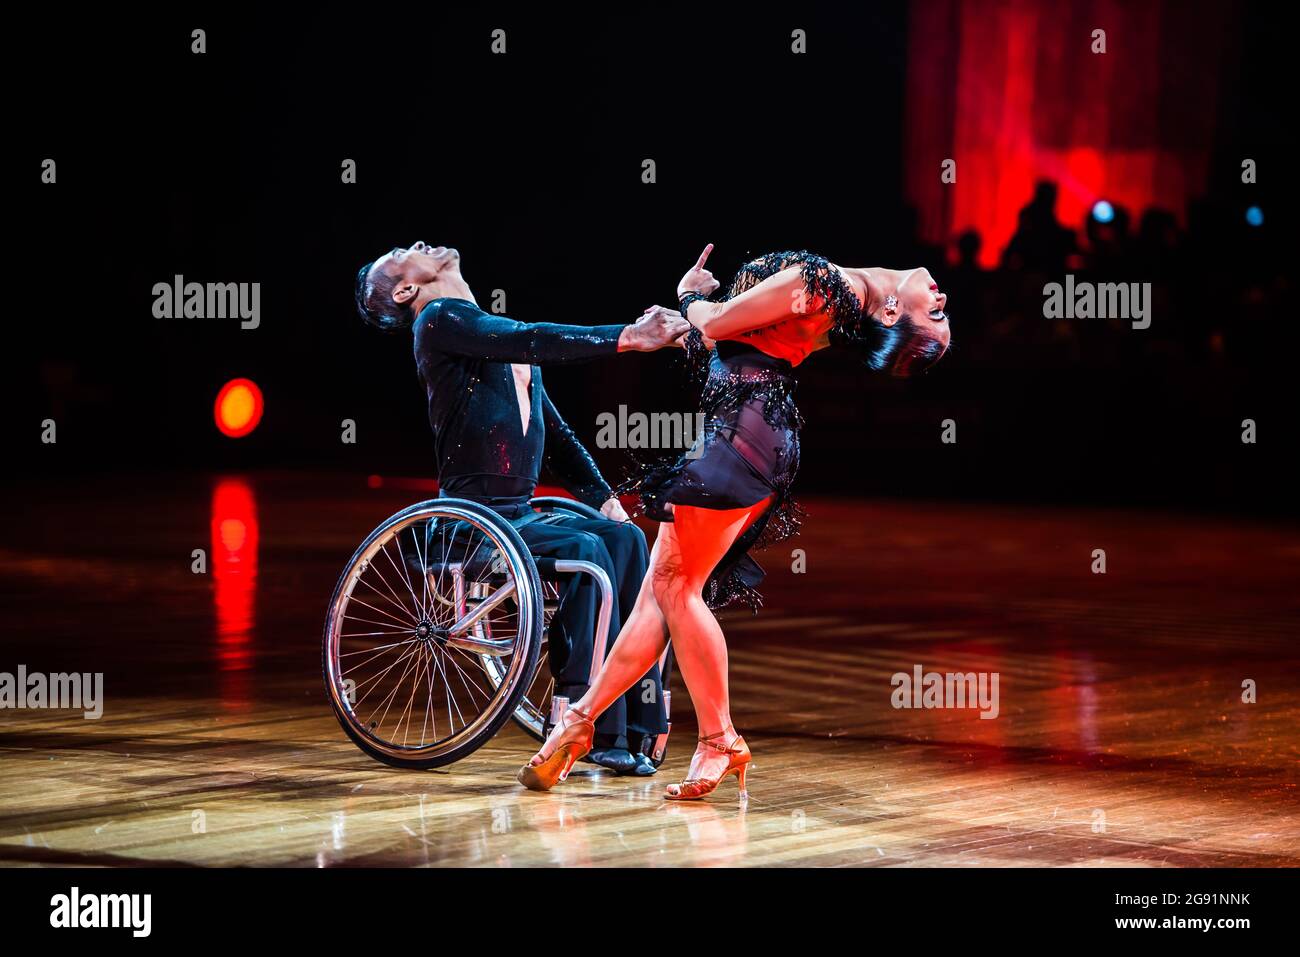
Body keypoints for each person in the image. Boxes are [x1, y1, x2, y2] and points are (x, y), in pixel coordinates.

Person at [518, 246, 951, 798]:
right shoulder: (835, 300)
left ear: (891, 314)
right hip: (756, 433)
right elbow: (728, 336)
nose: (942, 298)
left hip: (742, 435)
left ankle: (718, 738)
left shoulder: (824, 284)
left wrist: (692, 297)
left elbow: (719, 322)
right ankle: (578, 723)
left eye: (935, 313)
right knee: (664, 590)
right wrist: (692, 322)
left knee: (676, 588)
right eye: (940, 310)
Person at [355, 241, 689, 773]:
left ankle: (638, 721)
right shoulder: (439, 321)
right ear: (405, 289)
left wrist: (607, 503)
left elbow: (557, 439)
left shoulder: (489, 338)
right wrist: (628, 337)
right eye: (400, 253)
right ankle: (578, 718)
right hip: (474, 522)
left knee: (625, 540)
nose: (416, 244)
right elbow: (534, 337)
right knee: (585, 552)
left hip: (516, 516)